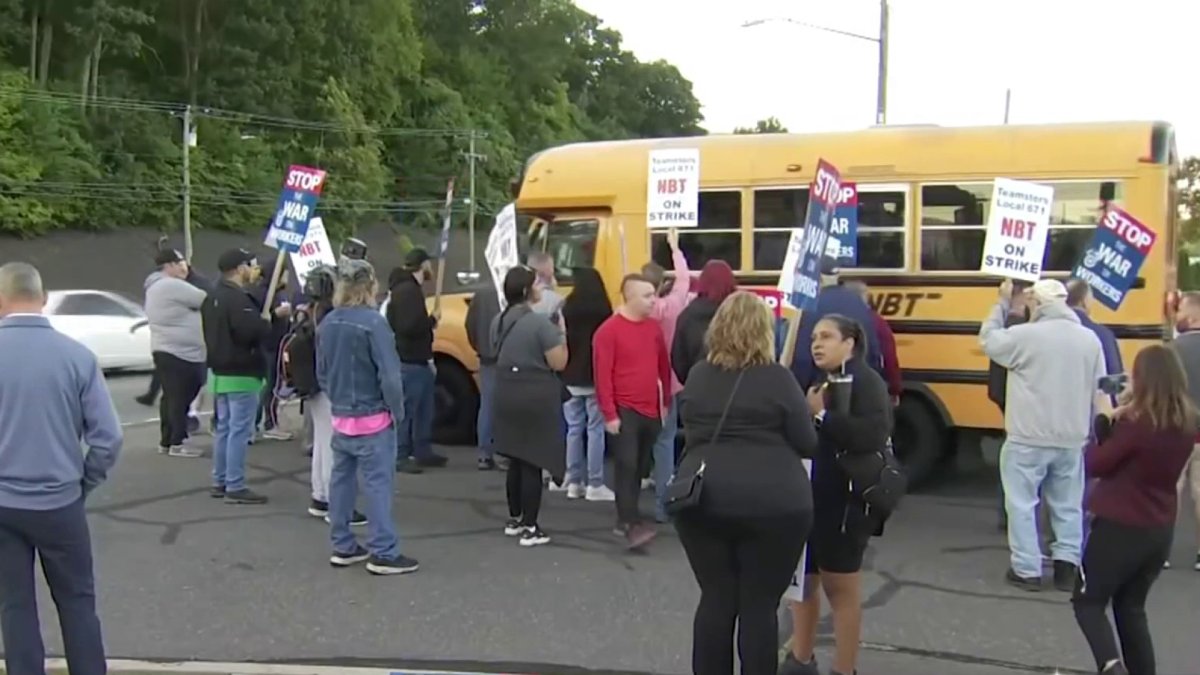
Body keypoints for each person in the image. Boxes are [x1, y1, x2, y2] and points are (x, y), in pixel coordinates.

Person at [674, 291, 817, 675]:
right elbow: (807, 443)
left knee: (717, 597)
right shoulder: (778, 378)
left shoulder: (699, 375)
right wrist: (813, 410)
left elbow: (687, 426)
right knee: (758, 604)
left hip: (704, 499)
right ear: (764, 331)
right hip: (776, 503)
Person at [0, 262, 123, 675]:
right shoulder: (77, 357)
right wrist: (83, 482)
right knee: (77, 603)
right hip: (60, 502)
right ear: (45, 298)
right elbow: (109, 438)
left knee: (14, 606)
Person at [1072, 345, 1196, 675]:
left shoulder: (1137, 425)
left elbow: (1097, 464)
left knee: (1088, 601)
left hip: (1119, 525)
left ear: (1141, 379)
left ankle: (1111, 668)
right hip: (1159, 528)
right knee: (1131, 608)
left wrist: (1103, 423)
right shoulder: (1187, 423)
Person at [980, 278, 1108, 591]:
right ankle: (1067, 566)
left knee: (1022, 503)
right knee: (1067, 504)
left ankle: (1027, 569)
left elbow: (988, 340)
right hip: (1070, 439)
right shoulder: (1090, 340)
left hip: (1027, 437)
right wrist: (1106, 422)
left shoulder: (1024, 336)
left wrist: (1002, 303)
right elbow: (1103, 388)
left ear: (1037, 303)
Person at [783, 314, 892, 675]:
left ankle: (844, 669)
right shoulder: (819, 379)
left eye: (827, 337)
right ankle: (800, 658)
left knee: (841, 590)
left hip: (846, 504)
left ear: (850, 342)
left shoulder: (867, 382)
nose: (817, 343)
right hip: (809, 497)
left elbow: (872, 436)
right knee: (804, 584)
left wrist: (824, 417)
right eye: (814, 337)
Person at [316, 259, 418, 575]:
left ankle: (343, 544)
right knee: (377, 484)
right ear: (370, 286)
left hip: (342, 416)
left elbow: (323, 373)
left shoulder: (328, 323)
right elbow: (389, 376)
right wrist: (396, 411)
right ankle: (383, 551)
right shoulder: (374, 323)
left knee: (342, 481)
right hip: (374, 417)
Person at [490, 266, 569, 546]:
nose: (540, 287)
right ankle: (531, 526)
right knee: (533, 459)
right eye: (536, 283)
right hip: (535, 395)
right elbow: (558, 362)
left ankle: (515, 518)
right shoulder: (540, 324)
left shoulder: (498, 321)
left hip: (505, 392)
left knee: (515, 456)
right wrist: (562, 335)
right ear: (526, 290)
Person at [593, 273, 672, 549]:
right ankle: (628, 521)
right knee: (626, 465)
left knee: (639, 466)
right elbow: (602, 375)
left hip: (651, 408)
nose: (654, 300)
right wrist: (609, 414)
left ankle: (628, 516)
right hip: (624, 409)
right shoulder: (608, 331)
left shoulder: (653, 328)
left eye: (654, 294)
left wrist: (665, 402)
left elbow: (663, 364)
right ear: (630, 297)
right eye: (647, 296)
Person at [203, 248, 284, 505]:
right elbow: (251, 331)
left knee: (225, 429)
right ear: (239, 268)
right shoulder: (238, 299)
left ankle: (220, 479)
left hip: (219, 371)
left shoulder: (212, 296)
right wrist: (269, 320)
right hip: (242, 371)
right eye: (250, 264)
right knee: (239, 430)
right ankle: (235, 485)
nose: (254, 269)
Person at [642, 229, 691, 521]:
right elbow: (684, 280)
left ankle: (628, 506)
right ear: (661, 284)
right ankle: (662, 505)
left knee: (634, 442)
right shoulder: (671, 308)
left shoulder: (634, 311)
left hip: (636, 383)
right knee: (665, 441)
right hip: (668, 383)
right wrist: (675, 248)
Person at [386, 248, 447, 473]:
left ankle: (421, 449)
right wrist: (431, 321)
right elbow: (408, 325)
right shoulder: (409, 292)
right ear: (423, 265)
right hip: (411, 359)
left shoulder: (404, 290)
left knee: (423, 409)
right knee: (409, 410)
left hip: (416, 357)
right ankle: (401, 454)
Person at [144, 248, 208, 458]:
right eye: (180, 262)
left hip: (168, 350)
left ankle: (168, 440)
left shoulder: (155, 286)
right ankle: (177, 442)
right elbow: (206, 299)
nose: (185, 267)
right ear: (168, 266)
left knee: (171, 397)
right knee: (180, 397)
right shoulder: (171, 285)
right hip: (180, 353)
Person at [559, 267, 615, 501]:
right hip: (595, 375)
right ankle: (595, 482)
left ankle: (573, 481)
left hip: (570, 375)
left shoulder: (567, 307)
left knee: (573, 429)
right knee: (595, 430)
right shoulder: (603, 310)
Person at [790, 257, 882, 390]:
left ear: (816, 279)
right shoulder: (858, 302)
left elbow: (803, 357)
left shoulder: (811, 306)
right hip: (862, 386)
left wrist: (799, 389)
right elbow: (874, 349)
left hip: (825, 389)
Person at [987, 280, 1033, 531]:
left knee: (1011, 459)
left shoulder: (1003, 330)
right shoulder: (1023, 330)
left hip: (1007, 400)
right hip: (1022, 403)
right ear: (1022, 296)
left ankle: (1007, 513)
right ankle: (1013, 515)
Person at [671, 260, 738, 385]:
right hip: (738, 385)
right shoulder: (742, 313)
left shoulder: (687, 315)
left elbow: (678, 360)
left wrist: (692, 380)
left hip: (698, 386)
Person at [1171, 291, 1200, 571]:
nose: (1176, 315)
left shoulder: (1174, 350)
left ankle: (1162, 550)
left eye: (1179, 310)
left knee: (1172, 489)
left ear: (1192, 316)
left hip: (1178, 430)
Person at [250, 258, 295, 442]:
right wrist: (276, 314)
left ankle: (261, 422)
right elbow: (260, 317)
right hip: (268, 344)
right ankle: (266, 423)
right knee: (269, 386)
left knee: (271, 384)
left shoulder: (281, 293)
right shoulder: (261, 293)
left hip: (278, 343)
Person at [844, 280, 901, 405]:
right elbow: (888, 357)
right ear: (863, 297)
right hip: (869, 386)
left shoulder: (833, 319)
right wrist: (894, 388)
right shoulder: (876, 321)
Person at [465, 282, 502, 470]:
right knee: (505, 407)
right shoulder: (512, 292)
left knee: (486, 405)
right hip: (507, 357)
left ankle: (484, 454)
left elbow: (470, 324)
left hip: (486, 356)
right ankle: (502, 454)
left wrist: (479, 346)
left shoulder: (482, 293)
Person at [527, 251, 565, 321]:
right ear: (549, 271)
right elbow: (561, 329)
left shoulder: (521, 297)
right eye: (552, 267)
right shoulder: (556, 301)